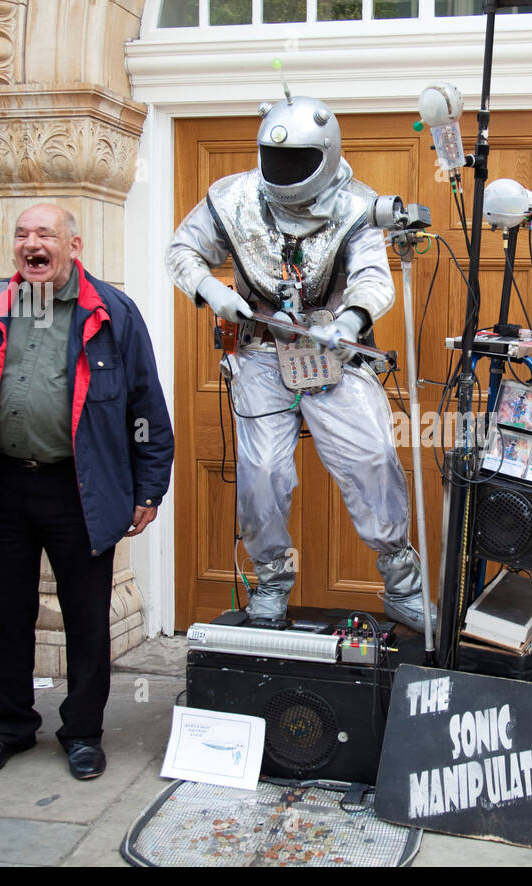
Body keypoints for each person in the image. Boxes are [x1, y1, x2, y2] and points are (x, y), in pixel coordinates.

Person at [0, 203, 174, 782]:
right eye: (23, 234)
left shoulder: (113, 312)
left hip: (80, 487)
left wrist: (150, 488)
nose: (33, 243)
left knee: (86, 616)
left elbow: (145, 406)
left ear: (72, 246)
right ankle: (7, 728)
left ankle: (82, 732)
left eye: (45, 234)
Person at [165, 91, 433, 633]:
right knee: (263, 471)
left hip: (331, 350)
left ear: (326, 156)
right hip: (262, 353)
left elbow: (373, 277)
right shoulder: (232, 198)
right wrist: (211, 291)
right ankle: (270, 584)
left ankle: (402, 581)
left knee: (372, 455)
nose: (285, 170)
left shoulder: (359, 205)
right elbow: (182, 251)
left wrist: (351, 321)